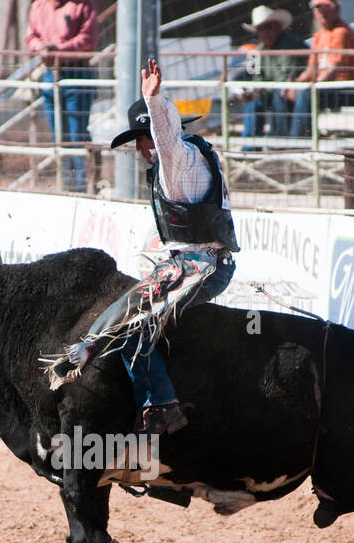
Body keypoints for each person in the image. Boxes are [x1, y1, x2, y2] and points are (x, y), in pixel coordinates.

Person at [46, 59, 239, 436]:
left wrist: (154, 104)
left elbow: (167, 142)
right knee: (129, 311)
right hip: (197, 263)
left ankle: (161, 407)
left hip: (201, 266)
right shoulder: (190, 158)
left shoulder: (178, 160)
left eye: (140, 140)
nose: (138, 150)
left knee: (135, 327)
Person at [25, 0, 100, 193]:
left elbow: (89, 38)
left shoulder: (83, 4)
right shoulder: (39, 6)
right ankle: (65, 183)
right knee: (57, 135)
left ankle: (82, 184)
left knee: (76, 134)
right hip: (50, 73)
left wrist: (58, 49)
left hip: (76, 72)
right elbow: (30, 37)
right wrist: (40, 46)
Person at [284, 0, 354, 139]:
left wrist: (312, 85)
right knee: (283, 94)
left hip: (351, 90)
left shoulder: (341, 32)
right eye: (318, 8)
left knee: (307, 94)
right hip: (330, 88)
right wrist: (294, 85)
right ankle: (282, 141)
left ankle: (298, 140)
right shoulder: (320, 36)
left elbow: (334, 70)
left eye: (326, 7)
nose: (322, 11)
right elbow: (312, 68)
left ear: (337, 9)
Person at [233, 6, 308, 146]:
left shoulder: (289, 44)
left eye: (268, 27)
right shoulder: (261, 49)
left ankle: (278, 144)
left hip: (291, 93)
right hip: (275, 92)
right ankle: (249, 147)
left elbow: (288, 77)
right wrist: (253, 91)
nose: (264, 33)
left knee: (277, 97)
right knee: (254, 103)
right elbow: (260, 77)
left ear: (278, 27)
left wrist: (261, 88)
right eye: (260, 29)